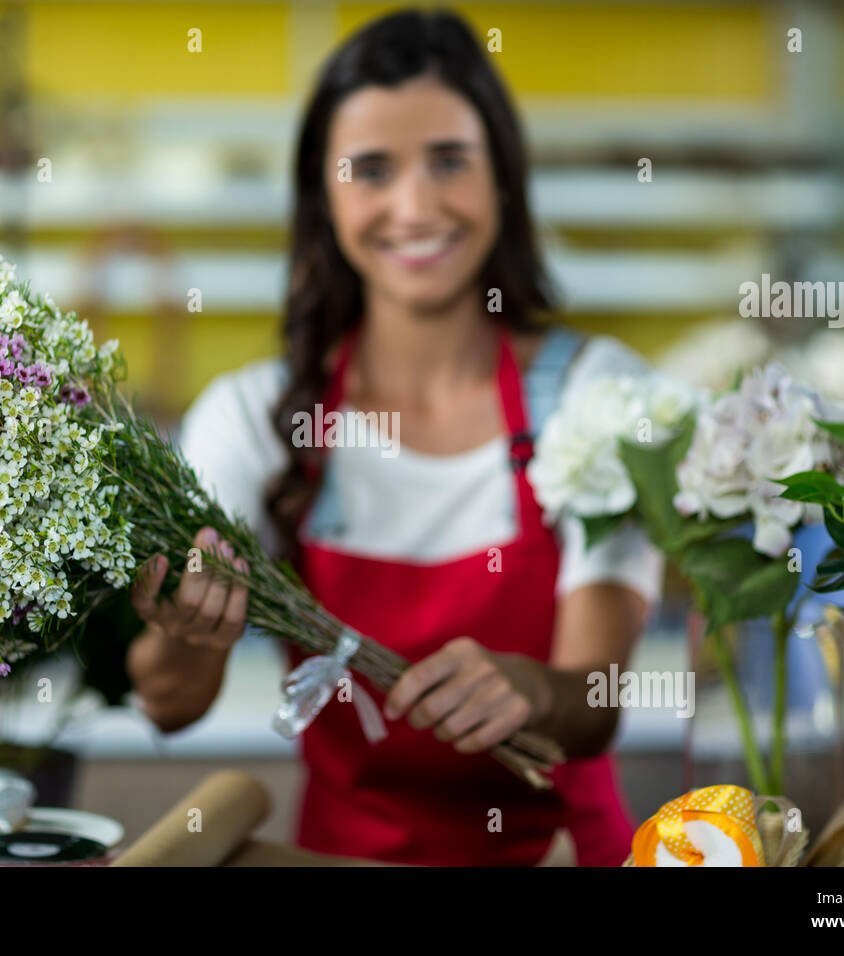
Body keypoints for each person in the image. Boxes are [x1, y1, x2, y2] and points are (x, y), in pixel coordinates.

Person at [126, 7, 663, 867]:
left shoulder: (598, 396)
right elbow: (168, 704)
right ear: (325, 198)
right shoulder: (257, 415)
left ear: (502, 179)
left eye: (450, 161)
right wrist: (187, 631)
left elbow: (596, 702)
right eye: (371, 170)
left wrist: (530, 689)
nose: (416, 205)